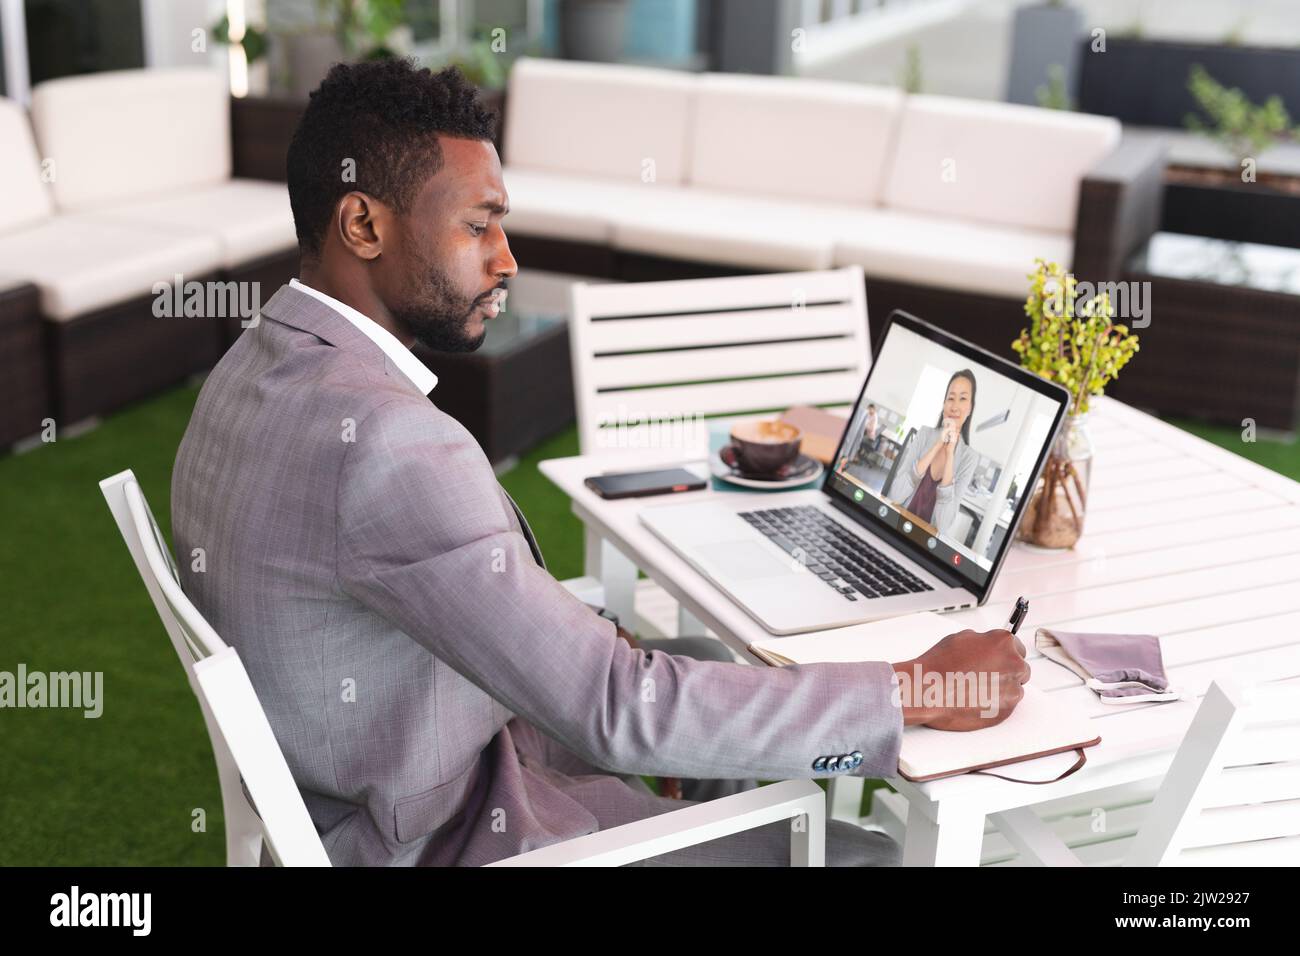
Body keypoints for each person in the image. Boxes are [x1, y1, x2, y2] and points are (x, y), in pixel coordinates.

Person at [170, 59, 1029, 867]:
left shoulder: (249, 368)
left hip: (366, 769)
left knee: (699, 653)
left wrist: (581, 647)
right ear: (364, 224)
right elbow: (620, 710)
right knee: (861, 857)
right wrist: (917, 685)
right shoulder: (389, 444)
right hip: (451, 831)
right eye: (478, 225)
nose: (506, 260)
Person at [889, 370, 979, 537]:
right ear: (944, 404)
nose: (955, 406)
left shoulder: (969, 458)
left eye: (963, 398)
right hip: (895, 526)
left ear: (970, 408)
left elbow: (944, 524)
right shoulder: (924, 434)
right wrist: (938, 445)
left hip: (926, 543)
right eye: (950, 398)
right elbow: (896, 495)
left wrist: (950, 454)